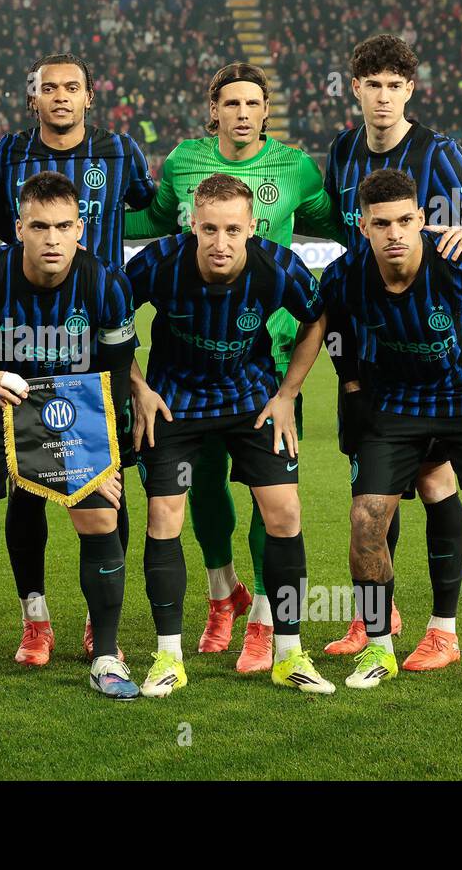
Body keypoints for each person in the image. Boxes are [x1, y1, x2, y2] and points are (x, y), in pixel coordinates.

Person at [124, 61, 344, 671]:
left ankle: (267, 623)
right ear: (213, 109)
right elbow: (139, 229)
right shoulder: (179, 169)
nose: (243, 112)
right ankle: (223, 592)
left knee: (274, 498)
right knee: (201, 488)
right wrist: (80, 211)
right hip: (180, 384)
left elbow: (335, 221)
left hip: (263, 371)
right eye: (231, 103)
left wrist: (411, 228)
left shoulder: (295, 171)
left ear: (266, 110)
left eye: (254, 102)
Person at [321, 34, 462, 668]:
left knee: (436, 487)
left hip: (446, 357)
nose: (382, 97)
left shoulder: (440, 153)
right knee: (375, 498)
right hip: (378, 358)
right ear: (355, 88)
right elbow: (348, 245)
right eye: (371, 84)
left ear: (410, 89)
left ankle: (443, 627)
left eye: (394, 85)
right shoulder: (343, 151)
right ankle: (380, 620)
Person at [0, 171, 138, 704]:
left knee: (100, 516)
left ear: (80, 229)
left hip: (71, 406)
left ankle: (106, 653)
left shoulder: (105, 283)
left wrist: (111, 453)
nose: (52, 239)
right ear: (19, 228)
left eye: (63, 226)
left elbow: (116, 366)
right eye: (39, 226)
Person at [0, 53, 156, 667]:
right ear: (34, 100)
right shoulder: (6, 156)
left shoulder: (121, 152)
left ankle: (94, 621)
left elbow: (154, 208)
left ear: (89, 97)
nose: (60, 97)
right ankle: (35, 617)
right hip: (24, 339)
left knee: (107, 489)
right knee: (26, 489)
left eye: (71, 88)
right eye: (48, 88)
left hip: (99, 345)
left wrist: (131, 378)